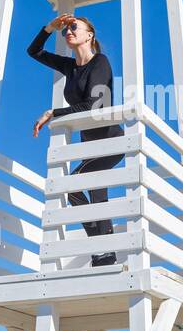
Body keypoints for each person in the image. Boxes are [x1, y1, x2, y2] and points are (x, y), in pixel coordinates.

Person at [28, 14, 125, 267]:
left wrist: (54, 113)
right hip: (89, 146)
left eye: (73, 27)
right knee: (96, 196)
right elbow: (34, 51)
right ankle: (105, 253)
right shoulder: (70, 67)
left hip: (109, 141)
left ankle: (103, 249)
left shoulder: (100, 63)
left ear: (89, 35)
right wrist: (50, 27)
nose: (68, 32)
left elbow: (95, 105)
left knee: (71, 185)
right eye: (65, 30)